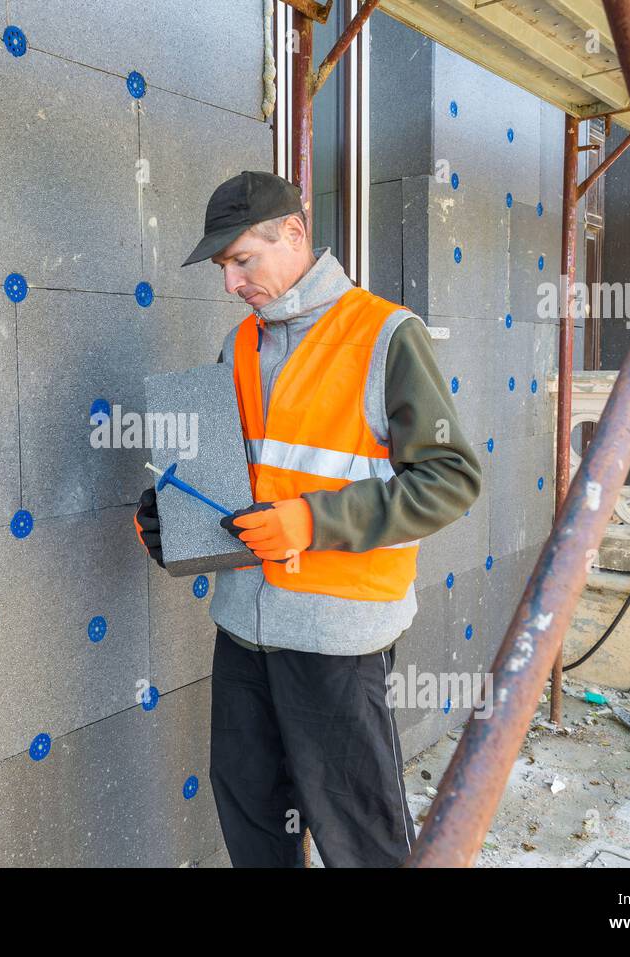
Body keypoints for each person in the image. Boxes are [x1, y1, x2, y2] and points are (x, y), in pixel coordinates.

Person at [134, 170, 481, 867]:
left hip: (338, 640)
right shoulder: (238, 346)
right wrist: (167, 517)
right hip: (242, 628)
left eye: (241, 260)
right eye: (222, 267)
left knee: (361, 839)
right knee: (255, 824)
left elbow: (450, 478)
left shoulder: (385, 334)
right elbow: (225, 479)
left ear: (293, 233)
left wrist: (311, 522)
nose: (230, 283)